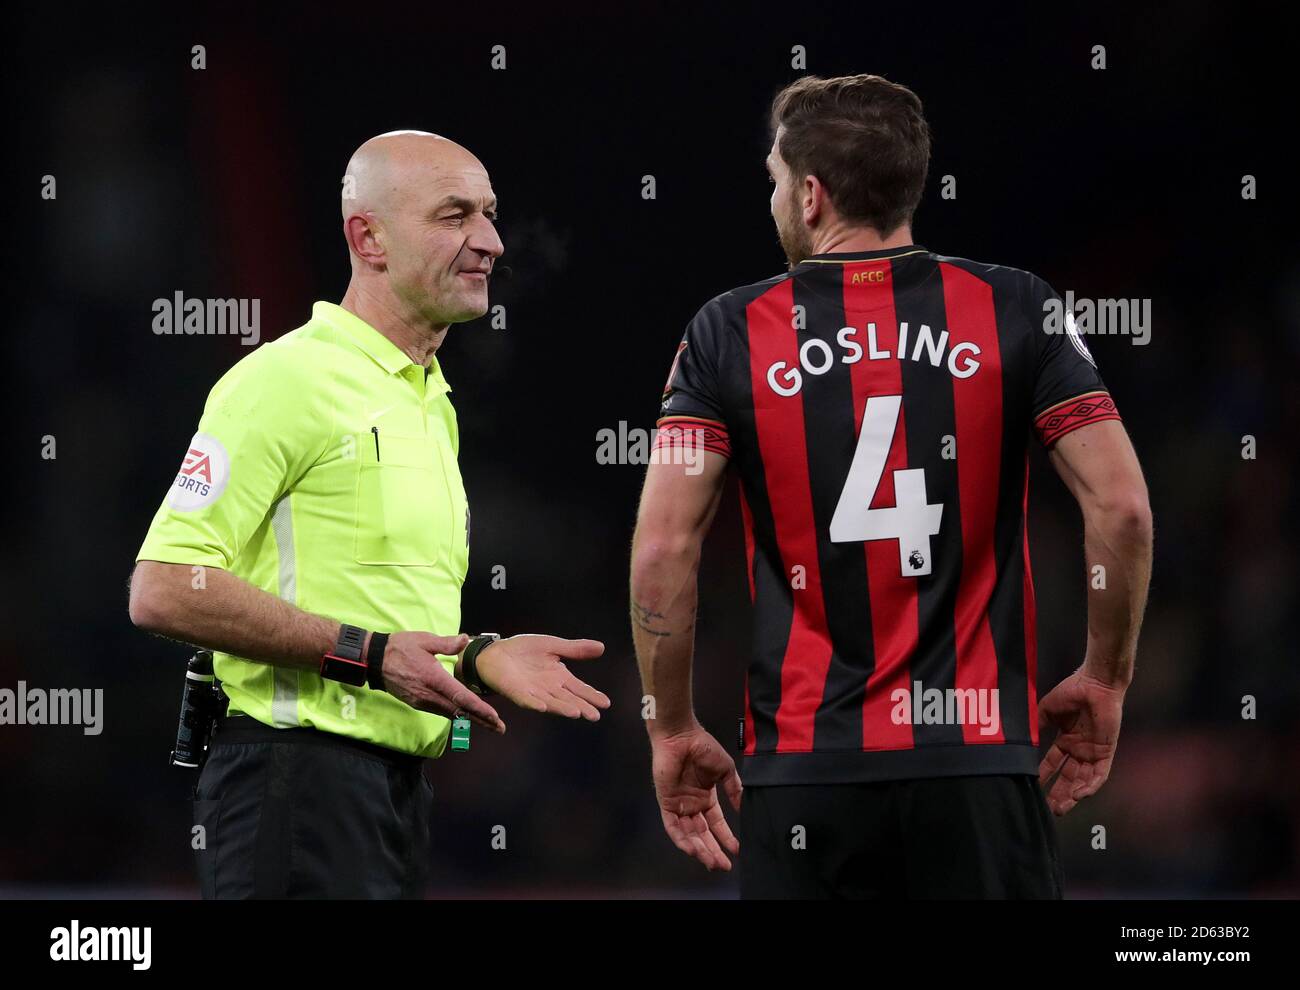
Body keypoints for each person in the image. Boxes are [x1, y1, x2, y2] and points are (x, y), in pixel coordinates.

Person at [629, 75, 1153, 898]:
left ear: (809, 195)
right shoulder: (1018, 307)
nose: (771, 201)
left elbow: (664, 545)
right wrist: (1106, 677)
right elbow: (1121, 508)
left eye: (772, 180)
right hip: (979, 769)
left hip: (806, 775)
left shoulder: (727, 330)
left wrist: (671, 726)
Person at [130, 130, 610, 899]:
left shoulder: (429, 400)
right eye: (455, 216)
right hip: (292, 787)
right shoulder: (284, 379)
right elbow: (161, 585)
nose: (488, 241)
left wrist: (476, 654)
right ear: (369, 237)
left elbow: (381, 617)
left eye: (489, 215)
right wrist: (370, 656)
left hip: (394, 796)